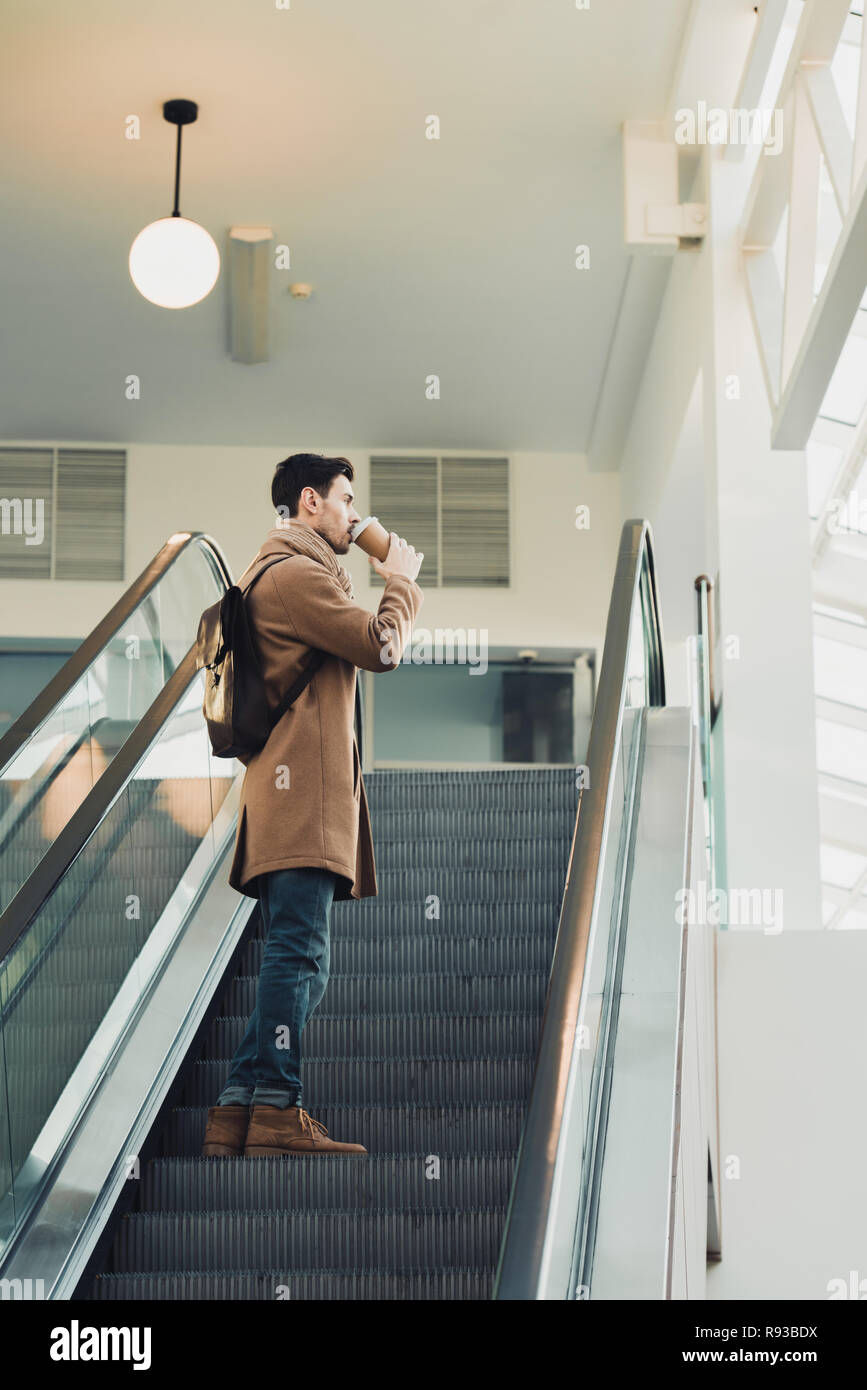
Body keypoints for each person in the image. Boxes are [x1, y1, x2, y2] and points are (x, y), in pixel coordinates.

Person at [201, 453, 423, 1157]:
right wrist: (401, 585)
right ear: (308, 502)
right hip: (301, 799)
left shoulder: (281, 572)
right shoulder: (296, 576)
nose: (353, 514)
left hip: (286, 796)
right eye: (345, 500)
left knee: (295, 956)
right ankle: (277, 1111)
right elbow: (379, 646)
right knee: (299, 957)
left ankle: (238, 1107)